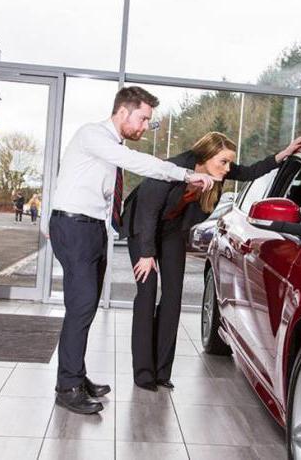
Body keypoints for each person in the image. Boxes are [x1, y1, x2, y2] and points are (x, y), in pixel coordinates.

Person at [48, 86, 215, 415]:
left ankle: (75, 376)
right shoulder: (93, 136)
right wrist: (185, 174)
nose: (144, 127)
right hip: (75, 226)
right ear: (123, 112)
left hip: (92, 227)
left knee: (86, 307)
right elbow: (139, 163)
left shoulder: (110, 146)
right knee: (81, 307)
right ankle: (67, 387)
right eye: (143, 119)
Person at [119, 131, 301, 391]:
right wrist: (147, 253)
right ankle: (143, 373)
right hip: (143, 229)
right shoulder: (170, 169)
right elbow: (148, 211)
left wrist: (283, 154)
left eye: (229, 162)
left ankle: (162, 372)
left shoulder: (217, 171)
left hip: (172, 230)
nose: (228, 168)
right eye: (223, 162)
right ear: (205, 157)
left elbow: (251, 172)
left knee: (173, 296)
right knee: (147, 292)